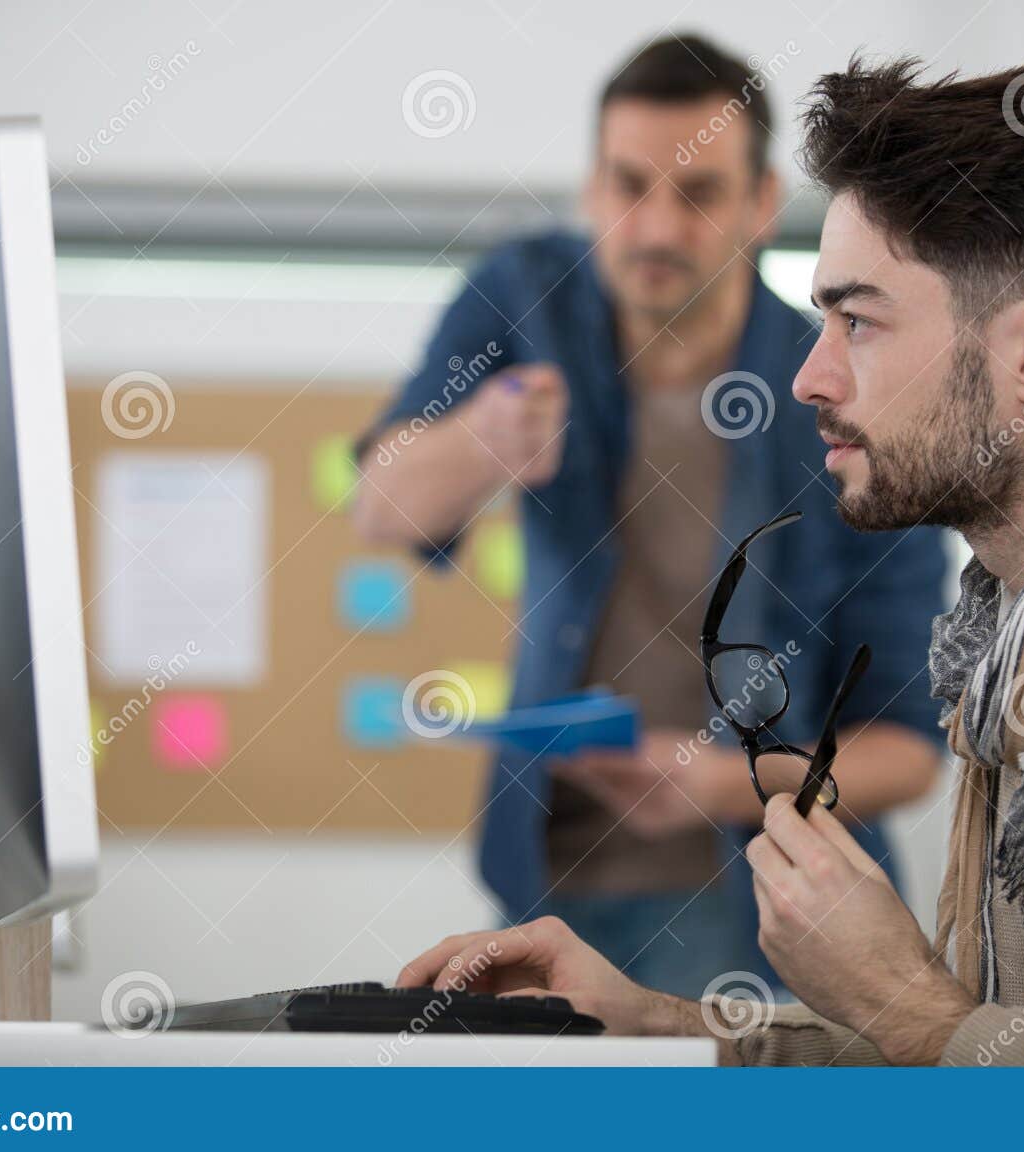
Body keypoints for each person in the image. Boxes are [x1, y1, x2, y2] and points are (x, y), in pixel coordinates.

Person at [396, 57, 1024, 1065]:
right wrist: (662, 1022)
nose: (807, 376)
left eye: (859, 320)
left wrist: (903, 1000)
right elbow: (992, 1066)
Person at [354, 36, 949, 998]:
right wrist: (480, 443)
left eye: (699, 193)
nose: (657, 227)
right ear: (592, 189)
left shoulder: (849, 398)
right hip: (547, 873)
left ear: (762, 203)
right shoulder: (524, 298)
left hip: (765, 906)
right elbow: (381, 509)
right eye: (630, 186)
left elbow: (910, 752)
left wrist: (717, 782)